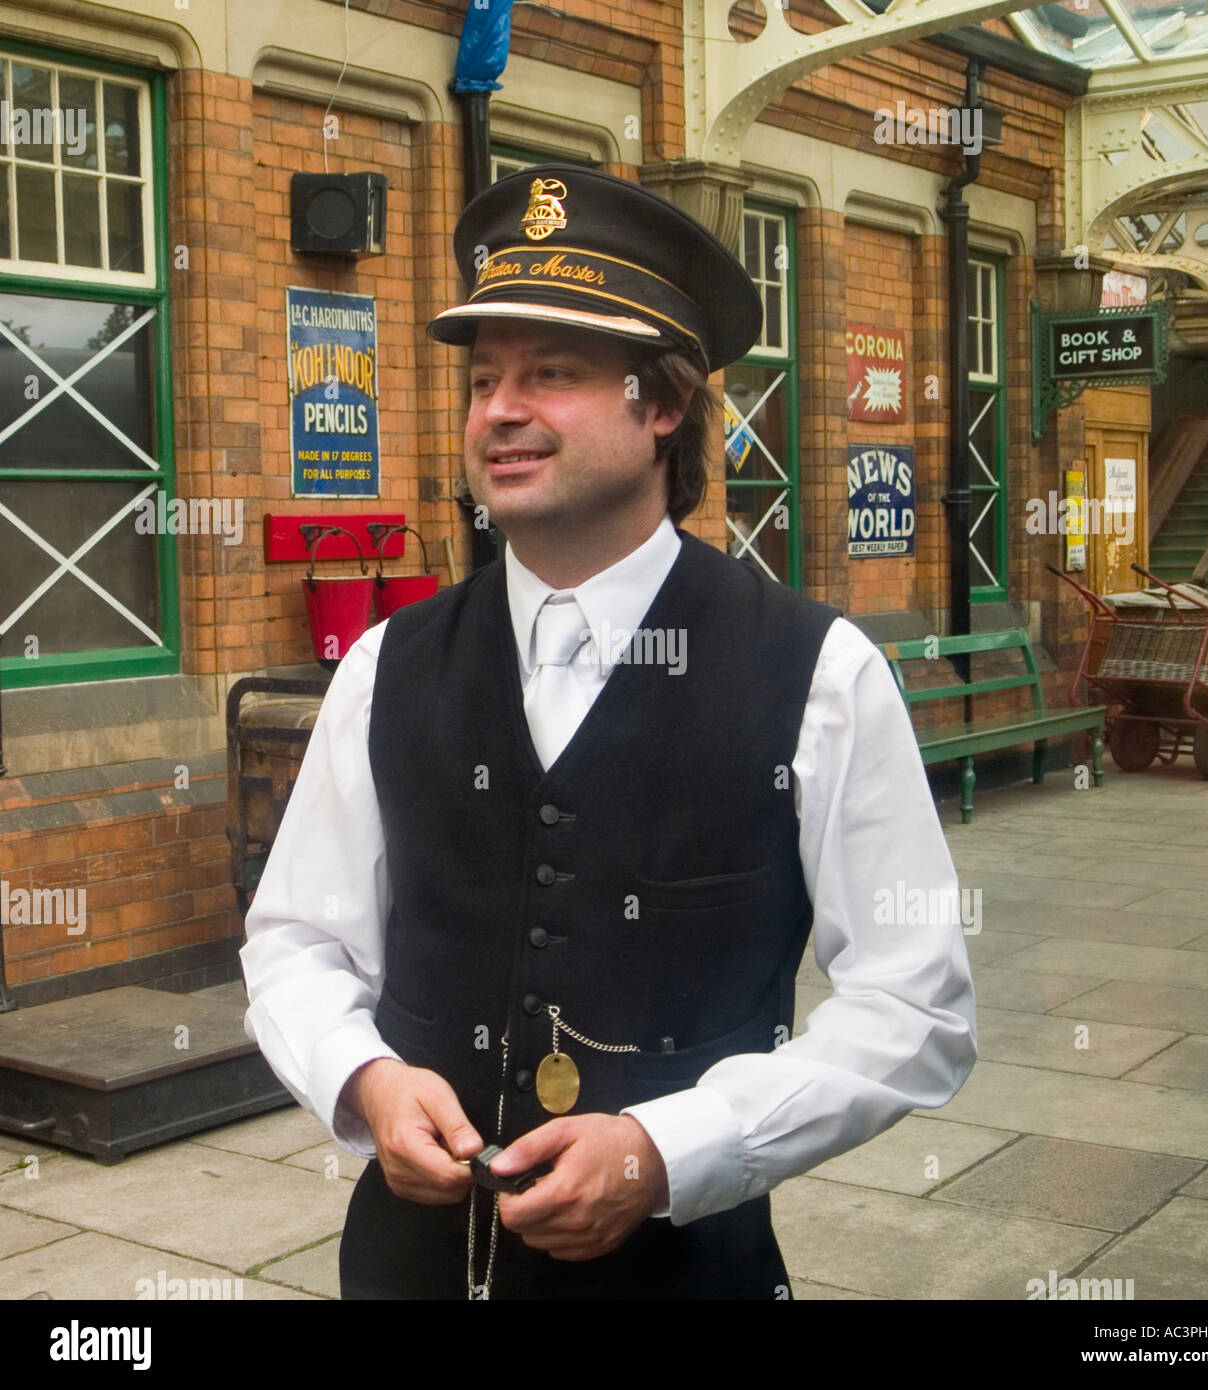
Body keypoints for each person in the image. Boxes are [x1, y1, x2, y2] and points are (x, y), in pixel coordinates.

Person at [240, 166, 977, 1300]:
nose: (499, 408)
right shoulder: (388, 665)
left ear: (664, 405)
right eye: (485, 378)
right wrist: (367, 1080)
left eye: (554, 373)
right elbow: (297, 941)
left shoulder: (819, 673)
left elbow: (914, 1005)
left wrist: (667, 1150)